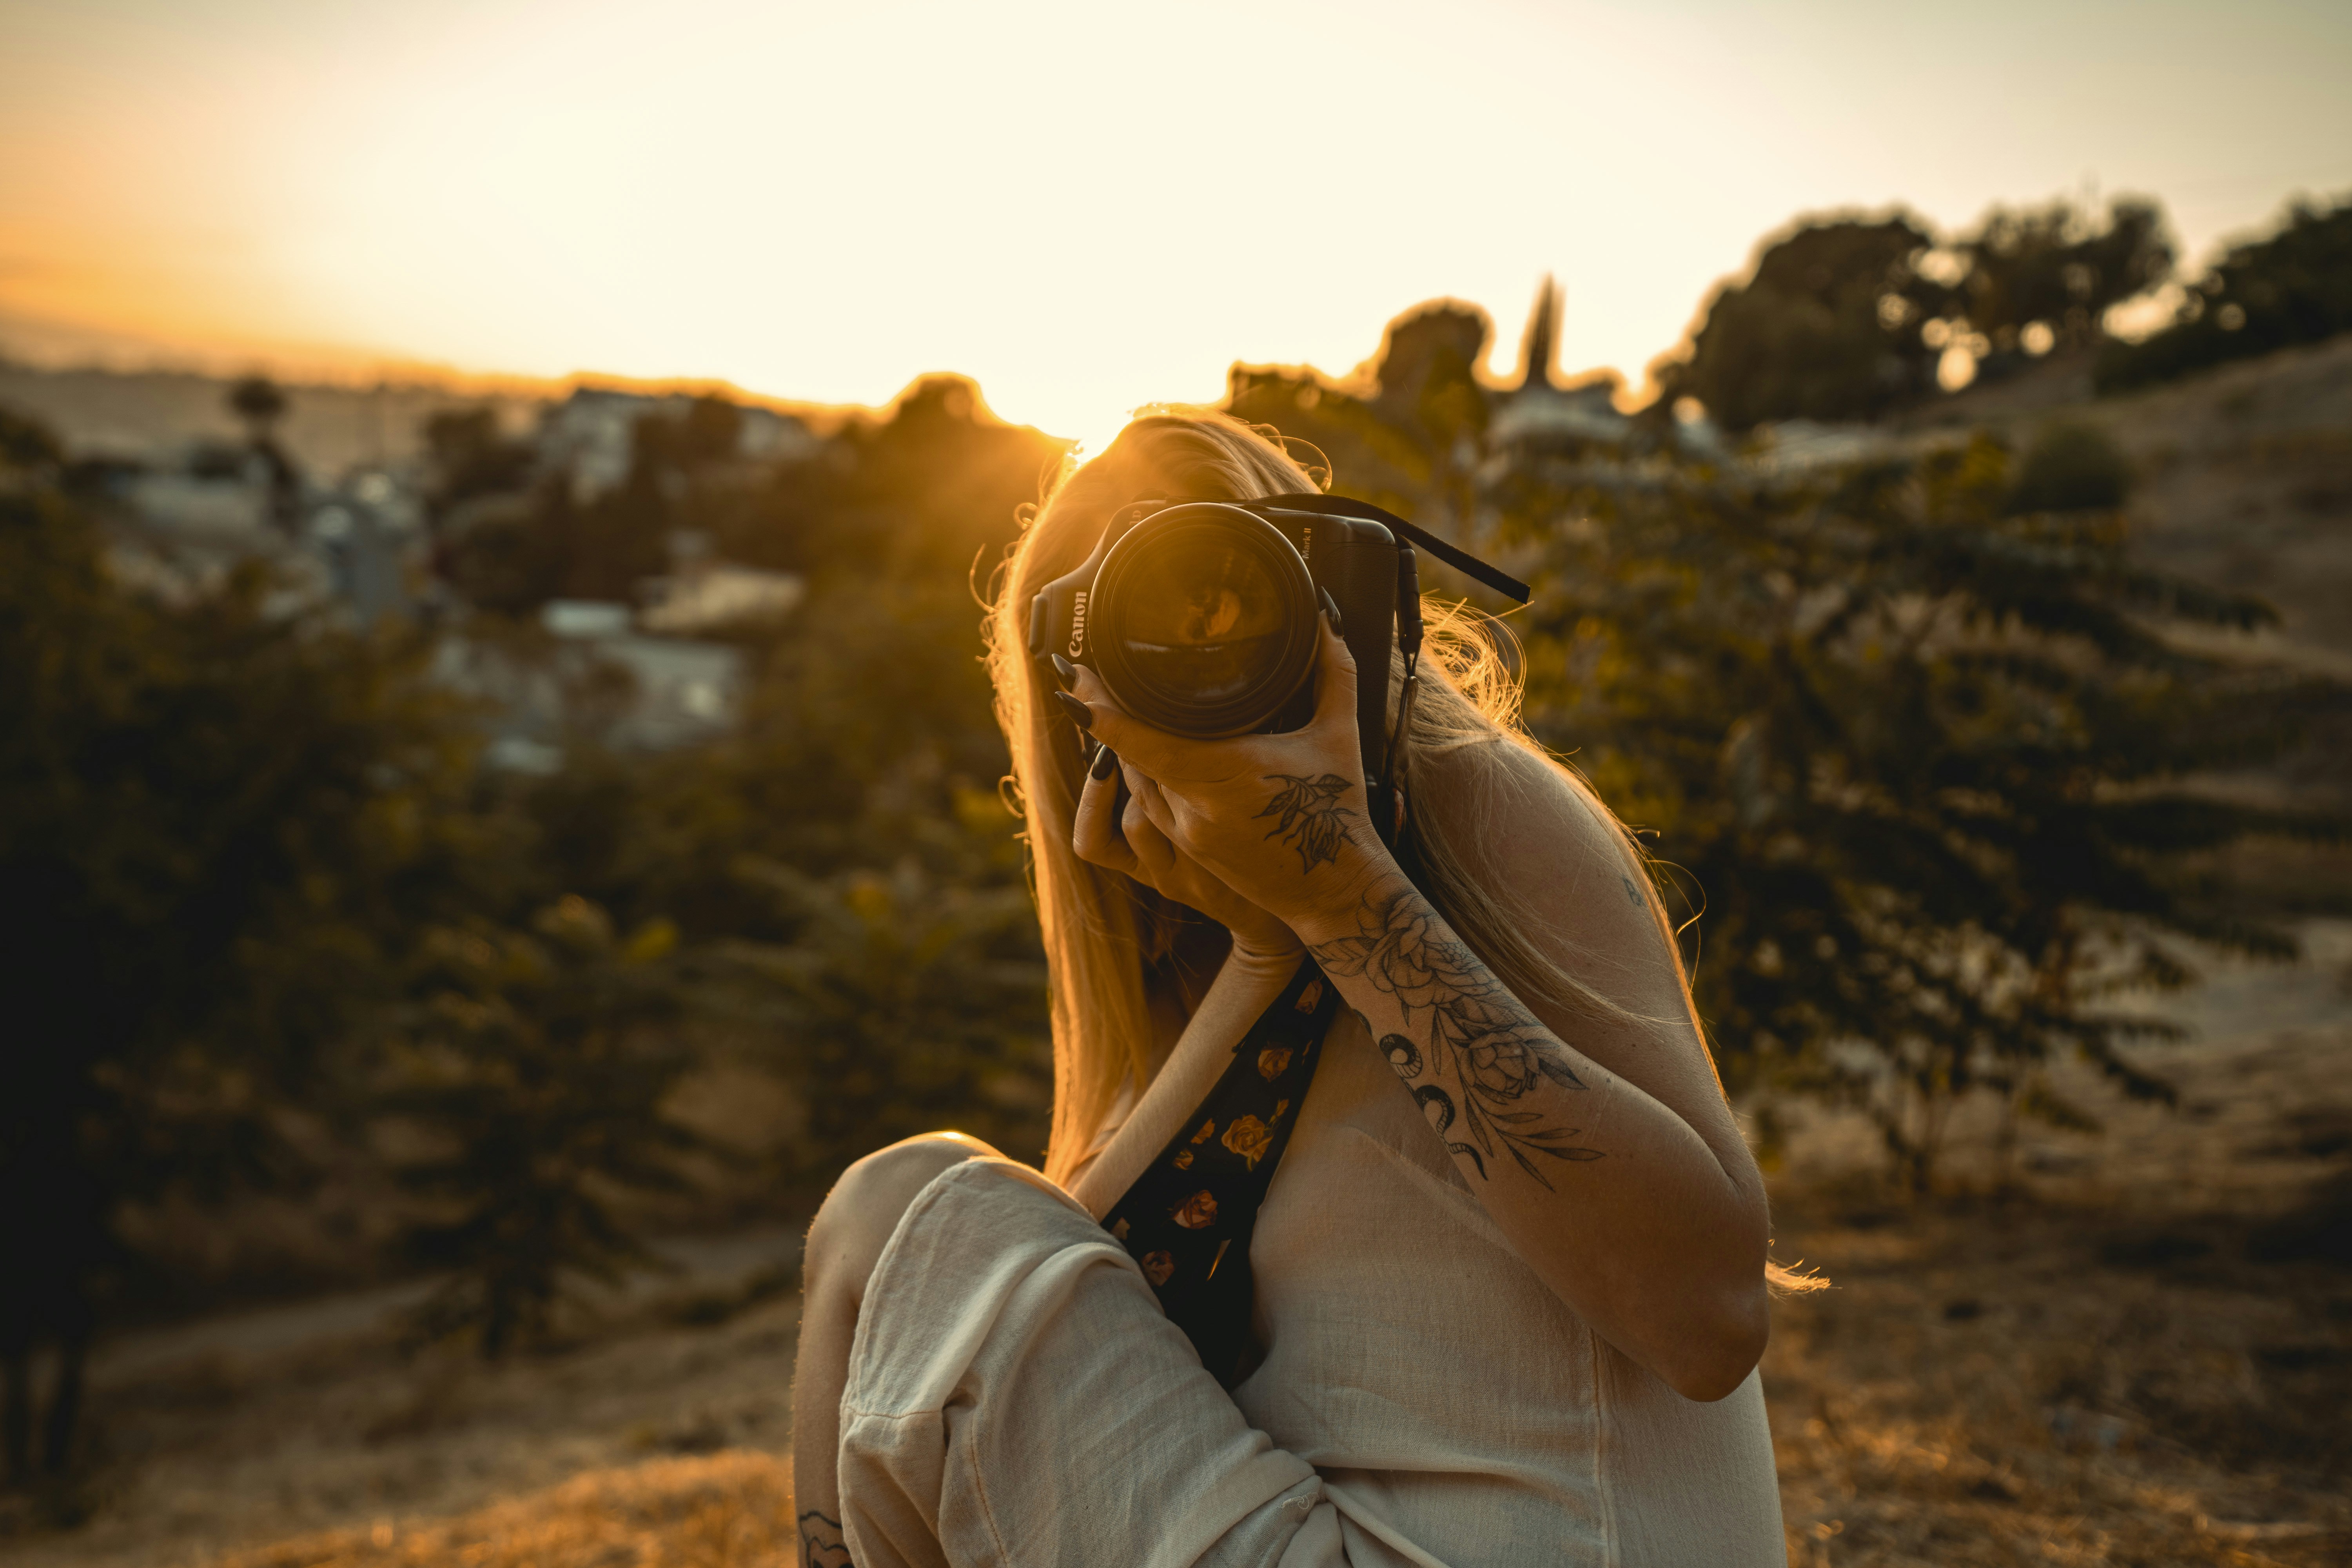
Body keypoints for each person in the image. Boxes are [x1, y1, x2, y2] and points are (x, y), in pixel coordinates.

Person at [790, 410, 1798, 1567]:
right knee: (899, 1230)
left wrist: (1348, 902)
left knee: (899, 1204)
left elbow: (1713, 1318)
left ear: (1324, 594)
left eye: (1216, 586)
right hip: (1321, 1534)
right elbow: (1101, 1311)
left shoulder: (1474, 806)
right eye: (1123, 622)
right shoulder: (1189, 935)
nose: (1188, 653)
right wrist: (1272, 947)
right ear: (1073, 691)